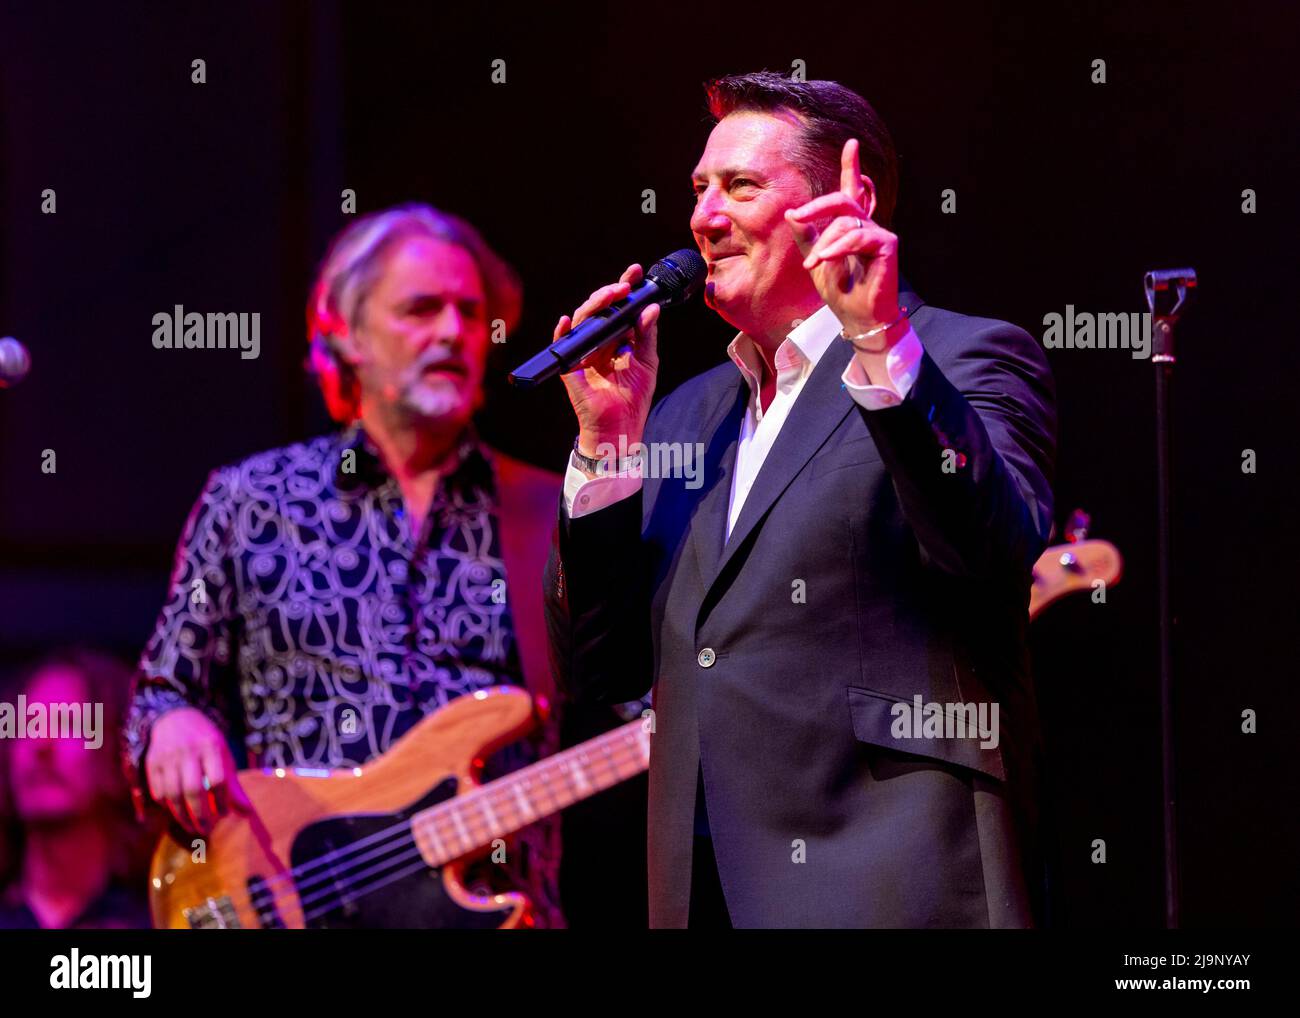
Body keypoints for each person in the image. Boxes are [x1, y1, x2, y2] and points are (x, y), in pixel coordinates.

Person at [544, 71, 1057, 928]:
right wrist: (608, 445)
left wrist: (879, 340)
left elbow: (990, 551)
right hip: (703, 892)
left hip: (897, 881)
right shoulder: (686, 415)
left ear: (848, 201)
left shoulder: (958, 357)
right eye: (699, 189)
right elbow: (603, 673)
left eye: (741, 184)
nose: (705, 216)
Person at [123, 204, 567, 927]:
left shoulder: (549, 514)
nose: (454, 332)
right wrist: (172, 726)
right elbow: (160, 697)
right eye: (421, 309)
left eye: (469, 311)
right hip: (307, 907)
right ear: (346, 332)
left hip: (497, 911)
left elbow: (632, 704)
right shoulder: (251, 501)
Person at [0, 649, 154, 929]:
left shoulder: (161, 916)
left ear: (118, 750)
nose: (42, 744)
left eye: (68, 724)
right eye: (27, 726)